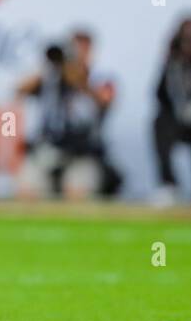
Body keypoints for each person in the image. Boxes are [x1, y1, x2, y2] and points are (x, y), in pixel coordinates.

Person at [16, 29, 122, 199]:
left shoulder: (100, 77)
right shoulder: (51, 78)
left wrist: (80, 80)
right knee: (27, 189)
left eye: (81, 50)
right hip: (47, 151)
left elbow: (105, 101)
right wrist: (50, 69)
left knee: (77, 191)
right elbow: (19, 89)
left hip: (83, 154)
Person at [152, 17, 191, 205]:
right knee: (160, 123)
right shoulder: (173, 66)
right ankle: (169, 185)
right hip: (175, 122)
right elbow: (161, 95)